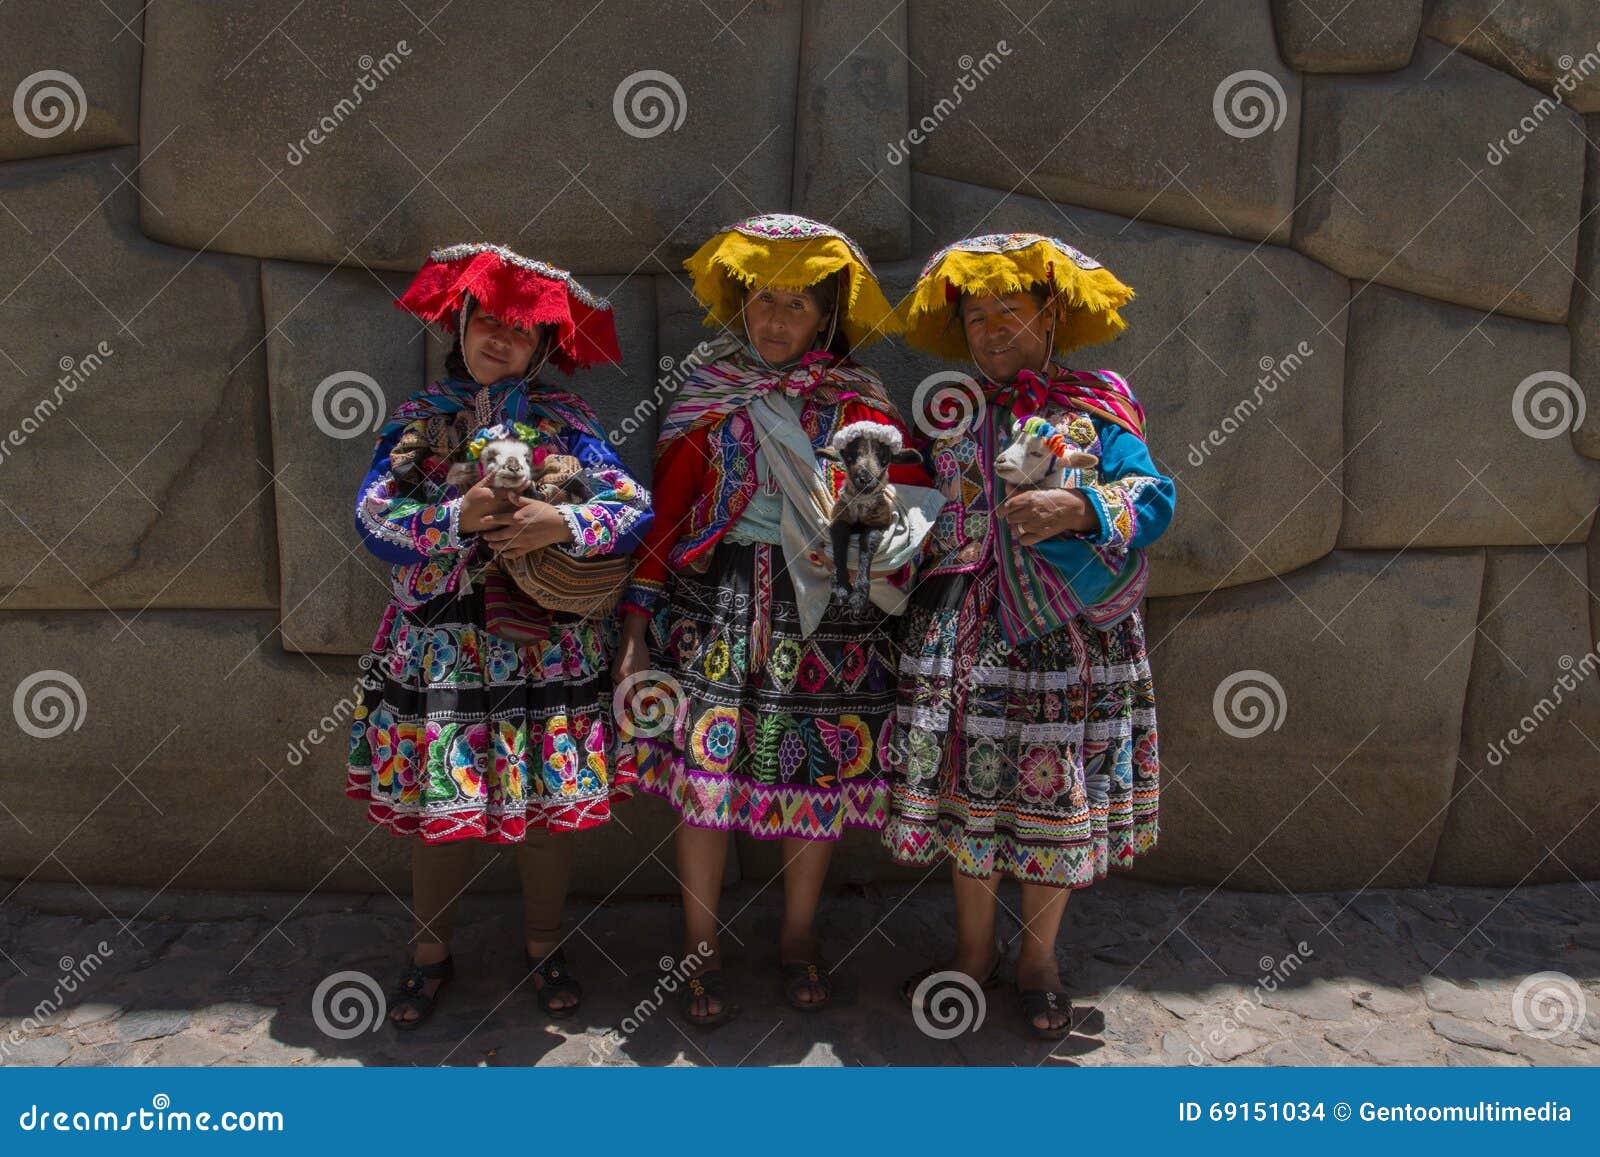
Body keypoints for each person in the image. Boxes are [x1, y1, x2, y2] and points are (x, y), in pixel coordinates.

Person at [613, 213, 936, 1025]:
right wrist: (635, 624)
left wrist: (879, 496)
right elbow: (671, 509)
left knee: (815, 775)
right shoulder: (710, 393)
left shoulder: (858, 401)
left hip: (827, 610)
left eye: (797, 304)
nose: (777, 319)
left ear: (827, 315)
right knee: (704, 781)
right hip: (717, 602)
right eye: (764, 300)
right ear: (742, 306)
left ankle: (797, 937)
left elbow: (902, 486)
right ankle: (699, 946)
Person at [348, 243, 651, 1029]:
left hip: (545, 646)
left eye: (520, 330)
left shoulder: (568, 422)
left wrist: (564, 519)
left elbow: (629, 505)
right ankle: (428, 952)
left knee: (549, 810)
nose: (500, 338)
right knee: (439, 804)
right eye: (488, 321)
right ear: (462, 325)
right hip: (443, 644)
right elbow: (373, 516)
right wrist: (456, 518)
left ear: (542, 346)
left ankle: (545, 943)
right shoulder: (420, 419)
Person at [883, 232, 1174, 1039]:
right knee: (974, 798)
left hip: (1069, 638)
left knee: (1052, 795)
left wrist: (1080, 508)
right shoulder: (952, 411)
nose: (990, 332)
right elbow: (916, 503)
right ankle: (973, 952)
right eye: (976, 318)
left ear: (1051, 313)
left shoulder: (1097, 406)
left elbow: (1154, 497)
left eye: (1008, 312)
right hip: (966, 635)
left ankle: (1037, 960)